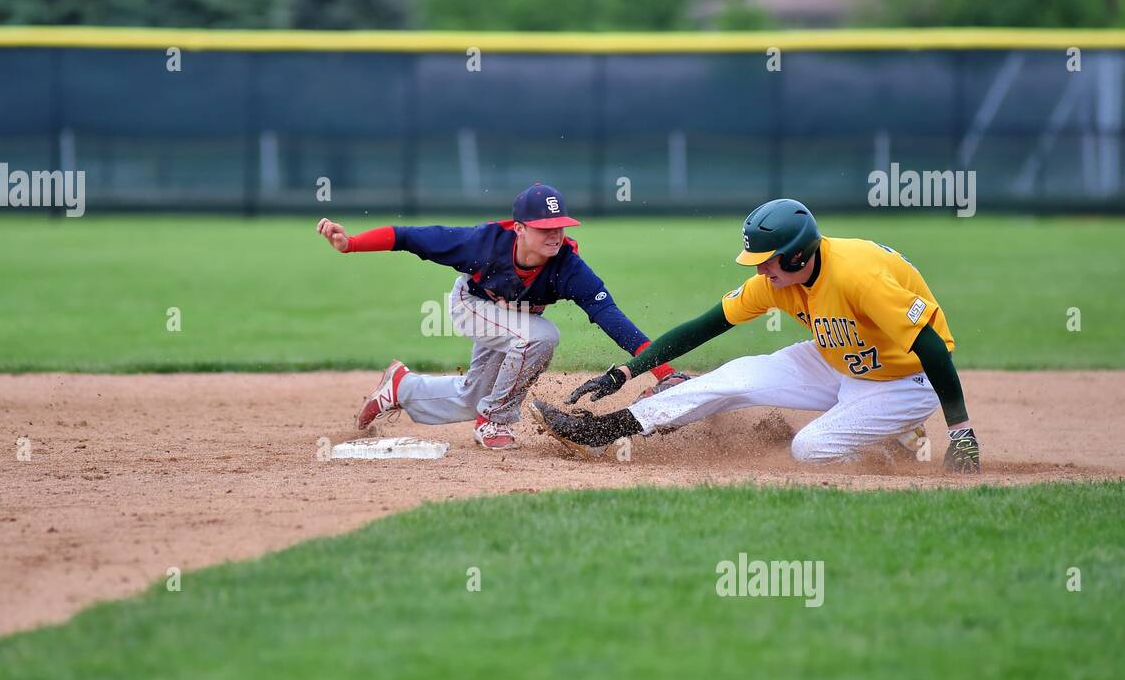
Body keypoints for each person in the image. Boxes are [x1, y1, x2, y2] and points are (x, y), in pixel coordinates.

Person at [528, 198, 981, 472]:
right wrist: (626, 370)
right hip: (841, 356)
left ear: (798, 254)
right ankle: (605, 430)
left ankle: (894, 433)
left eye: (767, 259)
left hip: (907, 378)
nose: (759, 268)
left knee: (809, 449)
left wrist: (961, 432)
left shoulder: (858, 277)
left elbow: (931, 345)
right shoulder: (776, 281)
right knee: (738, 375)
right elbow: (703, 327)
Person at [315, 182, 684, 449]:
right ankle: (494, 419)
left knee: (471, 397)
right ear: (520, 229)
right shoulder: (482, 243)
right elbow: (410, 237)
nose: (555, 235)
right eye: (544, 229)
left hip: (513, 319)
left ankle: (401, 387)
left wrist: (663, 371)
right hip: (471, 306)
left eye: (559, 227)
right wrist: (351, 245)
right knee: (540, 336)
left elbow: (608, 314)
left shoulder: (569, 266)